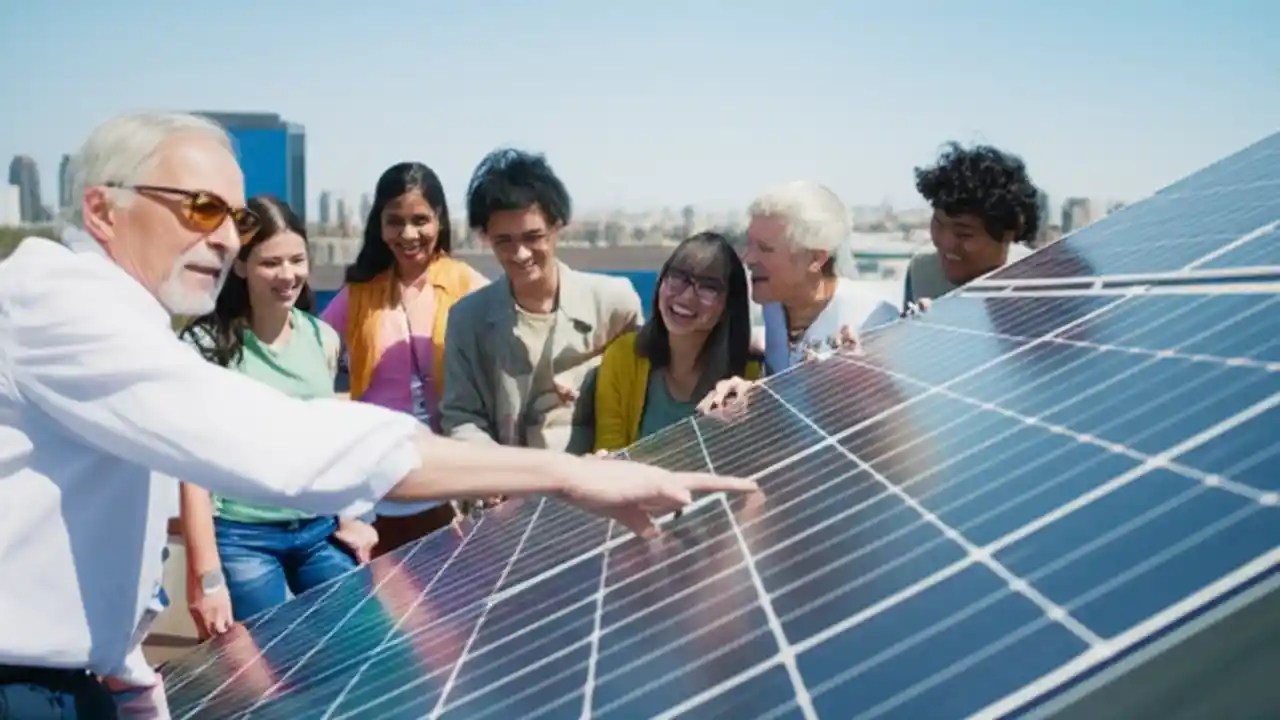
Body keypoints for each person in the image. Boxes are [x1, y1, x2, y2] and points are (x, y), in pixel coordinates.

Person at [0, 112, 753, 717]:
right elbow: (283, 445)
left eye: (231, 215)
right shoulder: (58, 307)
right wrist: (562, 475)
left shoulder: (107, 320)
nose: (225, 237)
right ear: (102, 209)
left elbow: (72, 529)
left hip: (72, 681)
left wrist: (125, 670)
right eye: (199, 209)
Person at [176, 195, 380, 640]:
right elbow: (192, 476)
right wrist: (207, 579)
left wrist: (352, 517)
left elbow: (329, 443)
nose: (287, 275)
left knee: (363, 642)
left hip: (318, 530)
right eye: (271, 263)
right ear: (242, 265)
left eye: (297, 260)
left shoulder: (322, 339)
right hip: (242, 537)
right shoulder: (204, 347)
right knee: (271, 664)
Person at [319, 162, 487, 555]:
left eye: (420, 220)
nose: (408, 234)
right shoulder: (360, 292)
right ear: (379, 225)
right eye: (395, 221)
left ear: (440, 220)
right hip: (375, 490)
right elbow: (311, 351)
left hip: (447, 484)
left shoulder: (467, 285)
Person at [440, 148, 643, 455]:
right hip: (514, 490)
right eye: (504, 241)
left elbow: (642, 393)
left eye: (533, 237)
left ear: (558, 225)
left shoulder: (614, 305)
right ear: (485, 237)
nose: (520, 254)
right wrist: (493, 470)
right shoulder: (467, 320)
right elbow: (461, 416)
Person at [696, 181, 900, 413]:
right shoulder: (774, 305)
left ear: (816, 259)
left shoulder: (877, 323)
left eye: (765, 248)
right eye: (749, 244)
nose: (748, 258)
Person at [594, 232, 763, 451]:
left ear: (729, 305)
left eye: (708, 287)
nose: (686, 297)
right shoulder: (624, 355)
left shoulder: (750, 376)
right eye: (677, 277)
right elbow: (609, 452)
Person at [903, 142, 1041, 305]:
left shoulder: (1039, 282)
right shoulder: (922, 271)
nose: (946, 243)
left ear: (1007, 233)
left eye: (964, 233)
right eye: (938, 224)